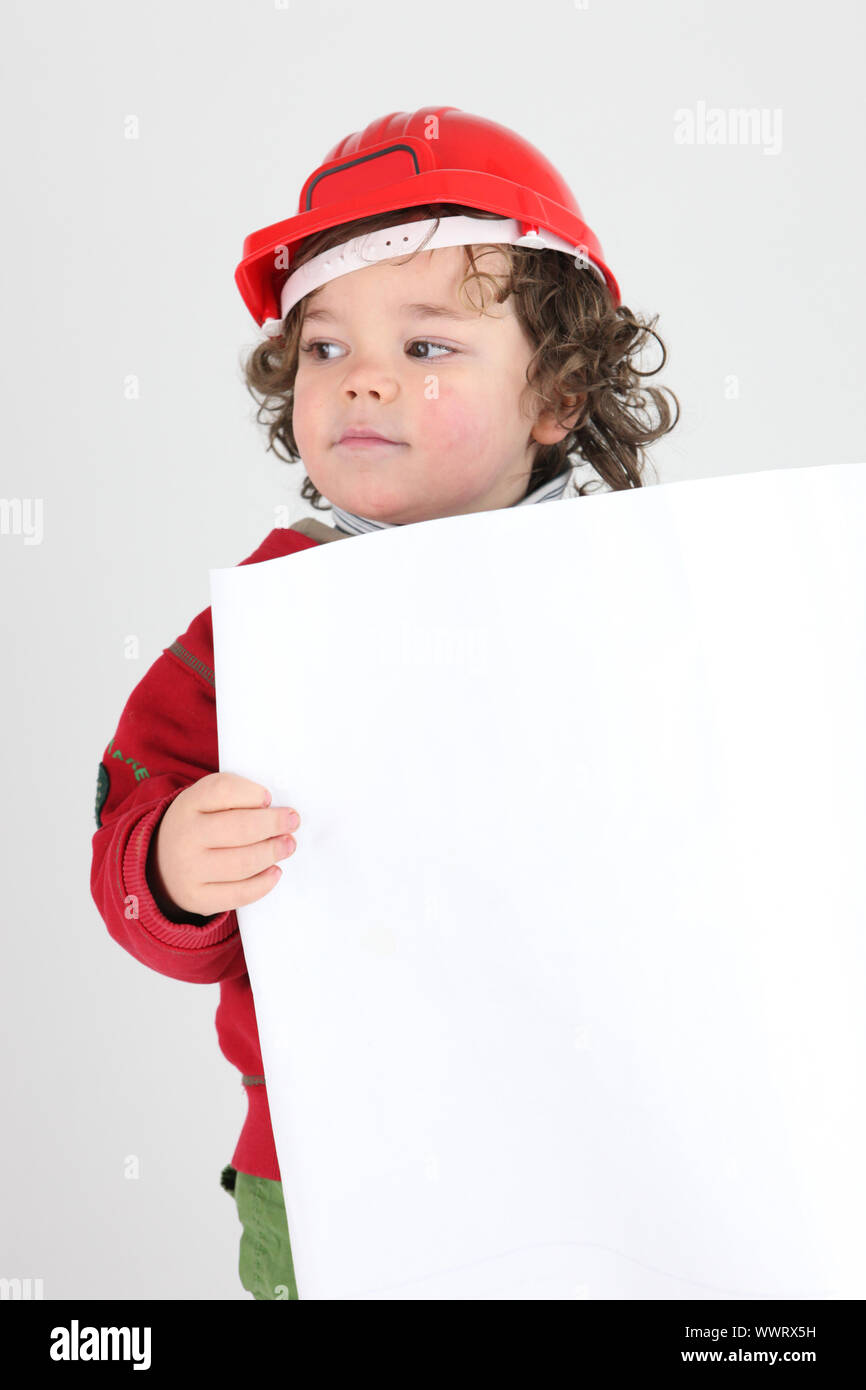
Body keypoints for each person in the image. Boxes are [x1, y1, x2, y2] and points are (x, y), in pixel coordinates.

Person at [90, 104, 679, 1300]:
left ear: (554, 397)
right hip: (324, 1169)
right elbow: (125, 835)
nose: (361, 376)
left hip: (595, 1151)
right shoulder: (250, 630)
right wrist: (170, 867)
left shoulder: (648, 597)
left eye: (425, 348)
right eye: (323, 348)